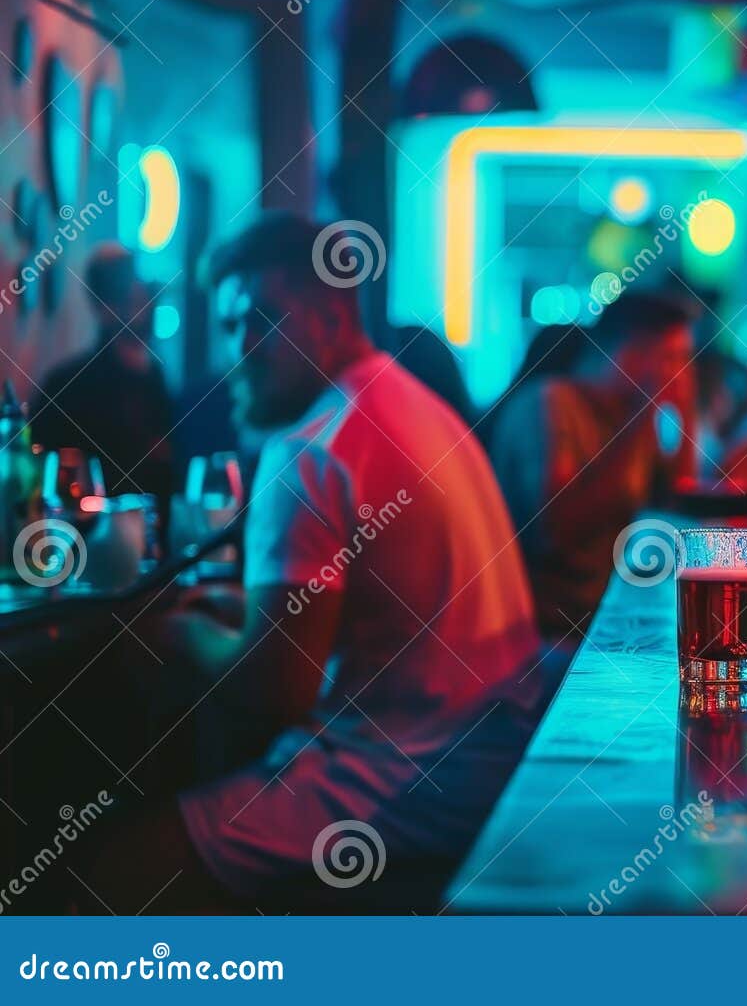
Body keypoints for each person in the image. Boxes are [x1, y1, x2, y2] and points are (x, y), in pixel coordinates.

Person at [90, 212, 540, 911]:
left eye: (262, 321)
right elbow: (366, 622)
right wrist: (246, 617)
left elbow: (274, 694)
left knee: (110, 869)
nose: (240, 349)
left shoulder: (312, 447)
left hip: (402, 778)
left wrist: (183, 634)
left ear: (331, 319)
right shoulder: (414, 405)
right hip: (489, 751)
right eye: (231, 326)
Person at [490, 294, 694, 646]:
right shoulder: (550, 404)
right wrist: (644, 410)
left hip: (603, 618)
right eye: (671, 358)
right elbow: (558, 534)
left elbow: (680, 499)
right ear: (628, 354)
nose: (681, 373)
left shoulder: (630, 412)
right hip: (545, 632)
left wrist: (683, 411)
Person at [31, 243, 175, 498]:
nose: (142, 298)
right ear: (101, 305)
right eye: (123, 287)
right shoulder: (66, 387)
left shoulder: (157, 378)